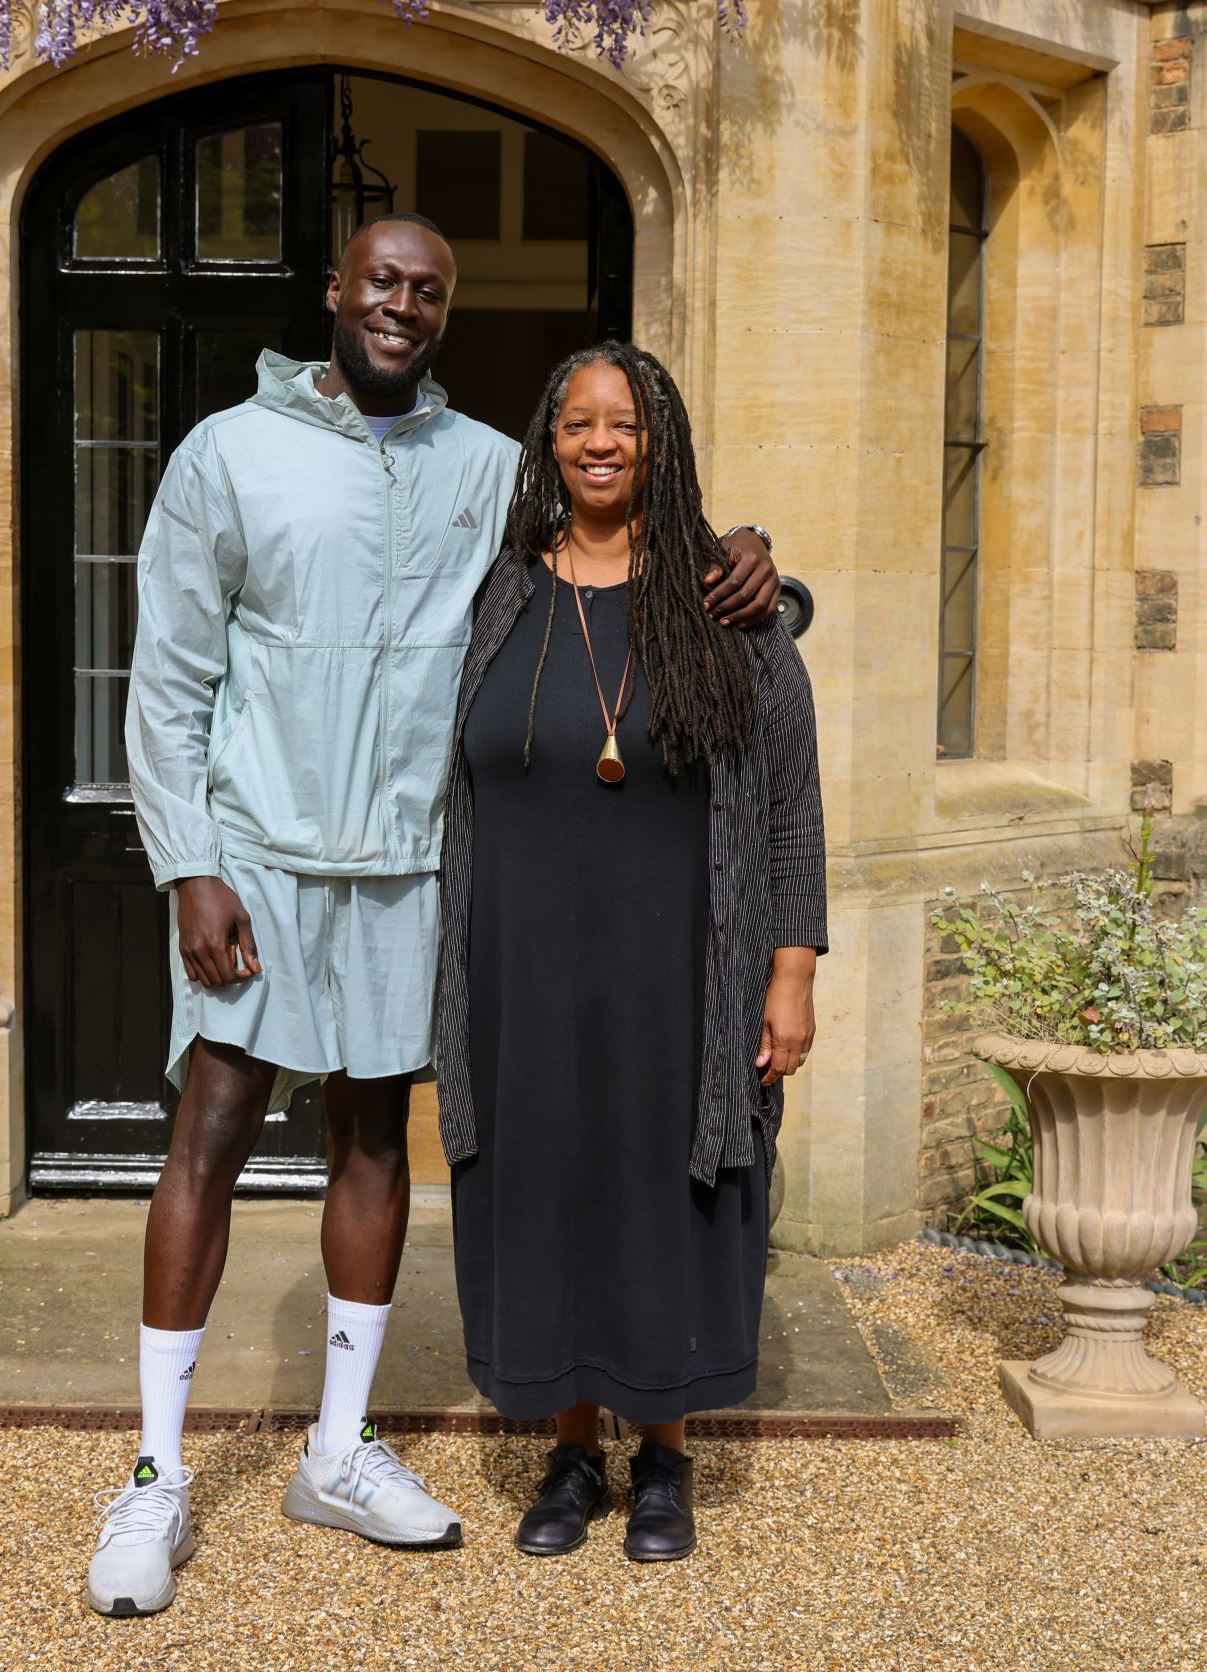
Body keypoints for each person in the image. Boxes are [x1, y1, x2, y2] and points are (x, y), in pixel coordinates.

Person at [88, 214, 781, 1617]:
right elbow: (167, 677)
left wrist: (763, 570)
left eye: (428, 291)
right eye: (381, 282)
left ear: (443, 315)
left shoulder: (491, 474)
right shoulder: (224, 453)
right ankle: (153, 1479)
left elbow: (619, 545)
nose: (401, 305)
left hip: (414, 870)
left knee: (371, 1147)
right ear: (335, 293)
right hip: (260, 857)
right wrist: (188, 865)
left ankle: (337, 1451)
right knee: (206, 1136)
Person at [434, 341, 826, 1562]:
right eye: (576, 423)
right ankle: (567, 1449)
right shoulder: (504, 591)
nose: (600, 442)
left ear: (662, 442)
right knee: (545, 1184)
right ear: (546, 443)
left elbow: (789, 800)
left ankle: (661, 1455)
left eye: (626, 424)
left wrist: (790, 970)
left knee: (664, 1193)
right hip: (523, 973)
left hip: (678, 969)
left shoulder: (726, 599)